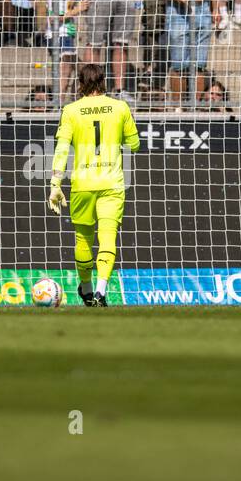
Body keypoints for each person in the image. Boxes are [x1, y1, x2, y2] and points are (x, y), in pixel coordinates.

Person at [47, 61, 141, 307]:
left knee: (83, 240)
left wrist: (55, 183)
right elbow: (135, 145)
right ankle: (101, 292)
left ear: (80, 83)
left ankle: (86, 291)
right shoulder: (120, 107)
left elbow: (61, 149)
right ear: (103, 82)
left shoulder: (71, 110)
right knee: (108, 237)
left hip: (83, 184)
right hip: (112, 184)